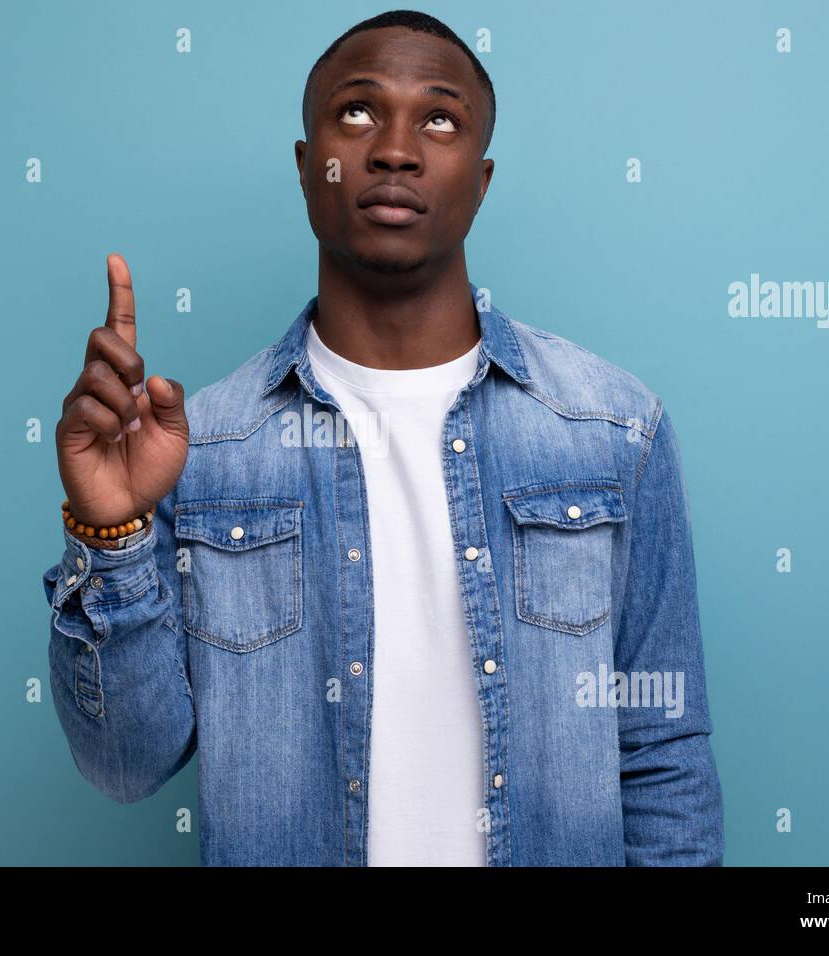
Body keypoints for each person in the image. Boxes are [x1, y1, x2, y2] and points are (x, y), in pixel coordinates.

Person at [44, 9, 723, 866]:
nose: (395, 148)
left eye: (439, 119)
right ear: (306, 167)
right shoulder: (200, 449)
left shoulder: (613, 431)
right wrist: (111, 533)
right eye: (357, 112)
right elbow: (126, 766)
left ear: (480, 180)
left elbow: (664, 756)